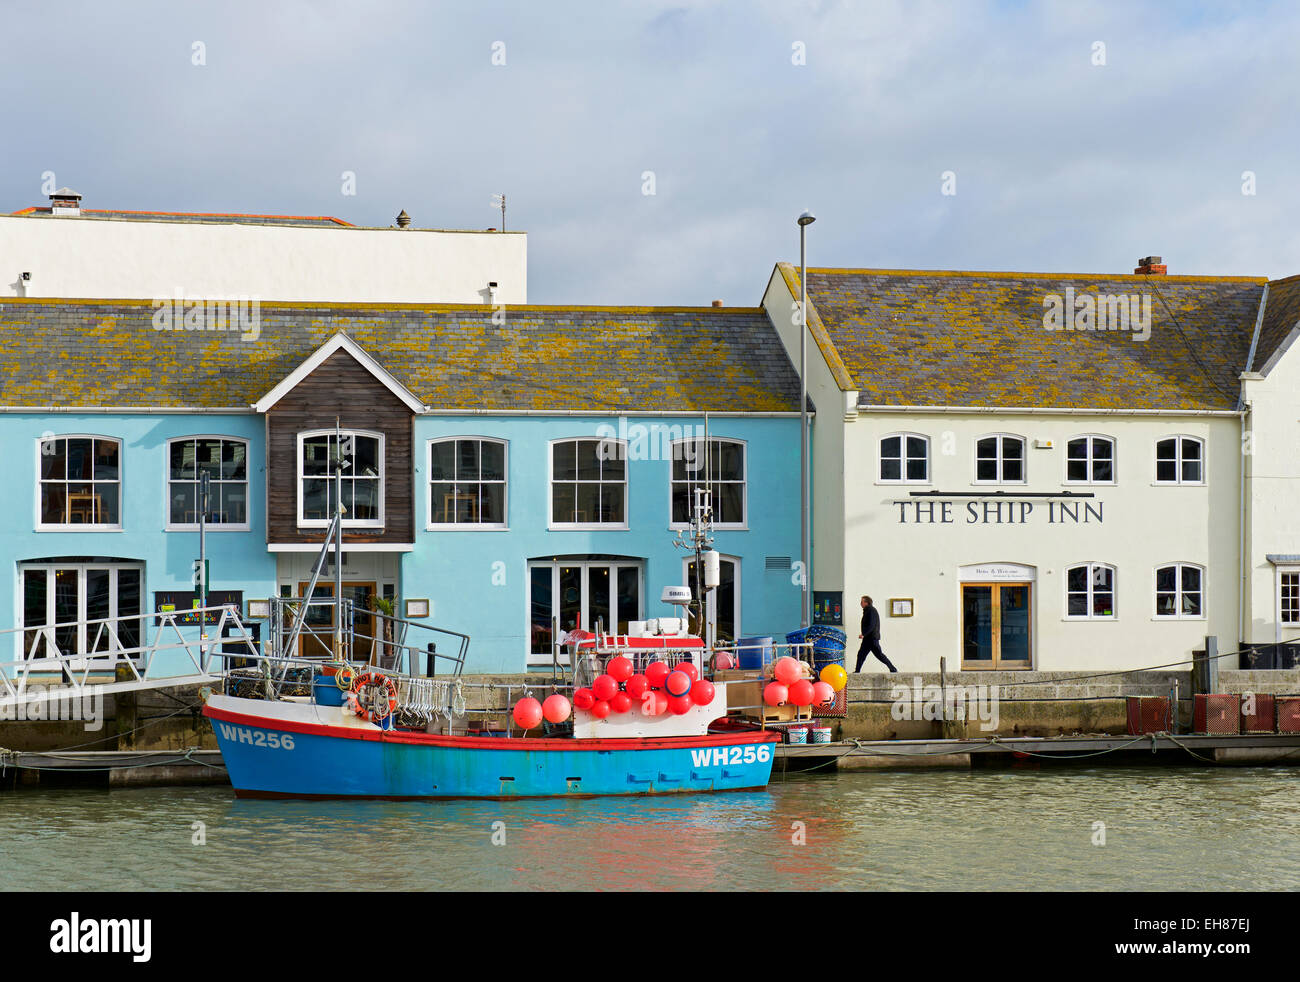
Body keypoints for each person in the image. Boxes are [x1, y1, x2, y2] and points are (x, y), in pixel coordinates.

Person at [855, 595, 897, 673]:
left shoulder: (871, 610)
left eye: (862, 602)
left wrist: (864, 634)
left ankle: (893, 669)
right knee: (861, 655)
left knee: (879, 655)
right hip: (868, 639)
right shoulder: (867, 610)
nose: (860, 603)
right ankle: (857, 671)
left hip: (871, 638)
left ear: (866, 603)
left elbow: (872, 624)